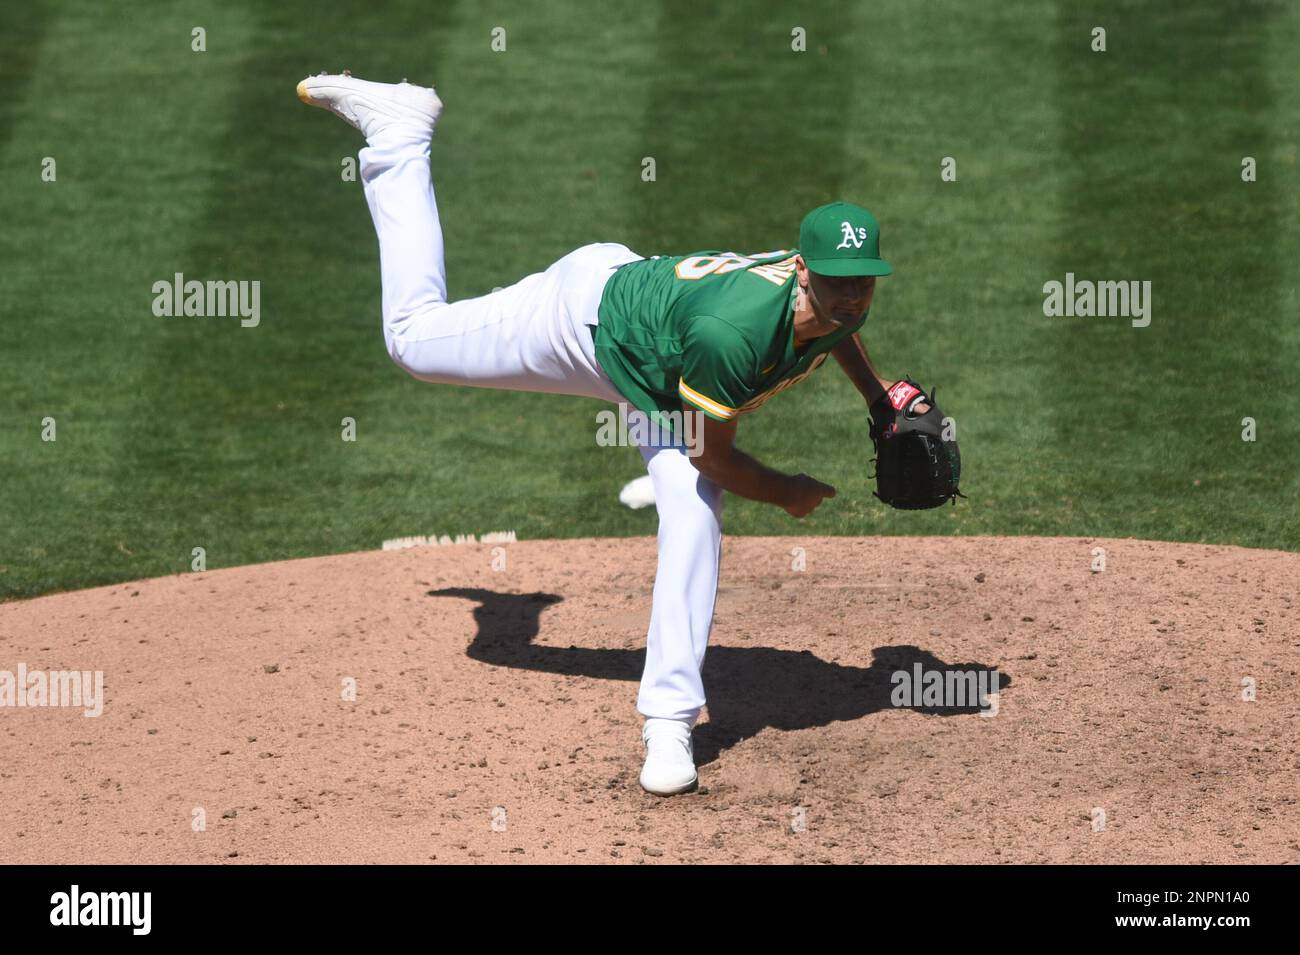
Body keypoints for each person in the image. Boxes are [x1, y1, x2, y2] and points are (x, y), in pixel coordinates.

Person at [297, 72, 924, 796]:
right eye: (838, 281)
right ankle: (398, 138)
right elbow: (714, 454)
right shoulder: (734, 333)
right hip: (585, 322)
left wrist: (880, 399)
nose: (852, 295)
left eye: (863, 281)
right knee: (413, 340)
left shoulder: (841, 299)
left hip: (662, 368)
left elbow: (836, 334)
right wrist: (788, 493)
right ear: (803, 268)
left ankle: (668, 723)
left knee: (691, 515)